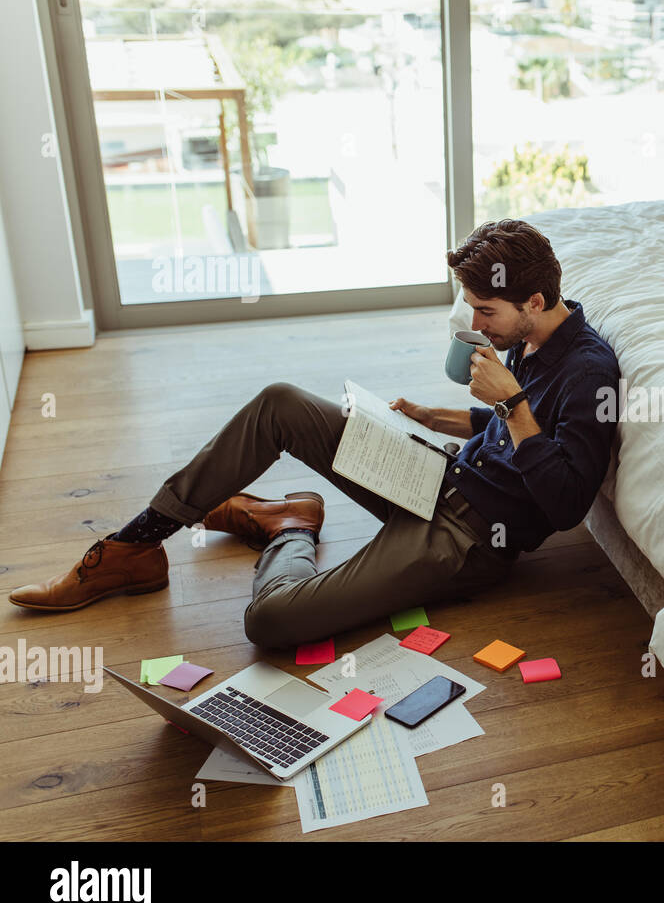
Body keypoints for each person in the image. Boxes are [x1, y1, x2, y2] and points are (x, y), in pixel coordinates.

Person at [7, 220, 621, 648]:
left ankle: (289, 528)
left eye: (486, 313)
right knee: (281, 403)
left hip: (464, 538)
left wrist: (509, 400)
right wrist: (437, 418)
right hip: (436, 472)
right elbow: (516, 431)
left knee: (270, 622)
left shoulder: (589, 372)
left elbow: (566, 502)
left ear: (535, 299)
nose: (477, 326)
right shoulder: (530, 337)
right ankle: (136, 543)